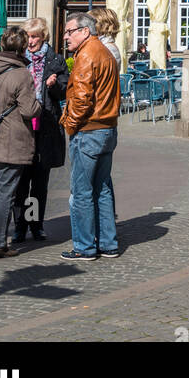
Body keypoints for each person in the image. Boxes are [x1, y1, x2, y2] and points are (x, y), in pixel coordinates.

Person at [0, 26, 41, 260]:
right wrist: (40, 104)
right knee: (6, 192)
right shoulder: (21, 72)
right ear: (23, 47)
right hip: (12, 139)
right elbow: (29, 110)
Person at [61, 13, 121, 261]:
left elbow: (82, 98)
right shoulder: (105, 51)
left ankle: (84, 247)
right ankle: (108, 244)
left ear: (85, 31)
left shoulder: (87, 54)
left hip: (89, 129)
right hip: (108, 127)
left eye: (70, 31)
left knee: (82, 192)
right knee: (103, 188)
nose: (66, 37)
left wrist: (70, 124)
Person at [12, 17, 68, 243]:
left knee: (39, 182)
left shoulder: (55, 60)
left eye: (35, 36)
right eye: (28, 36)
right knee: (20, 182)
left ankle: (35, 224)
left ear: (43, 37)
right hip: (21, 125)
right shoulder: (17, 59)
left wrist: (55, 85)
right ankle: (19, 226)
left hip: (44, 126)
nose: (31, 41)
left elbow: (65, 90)